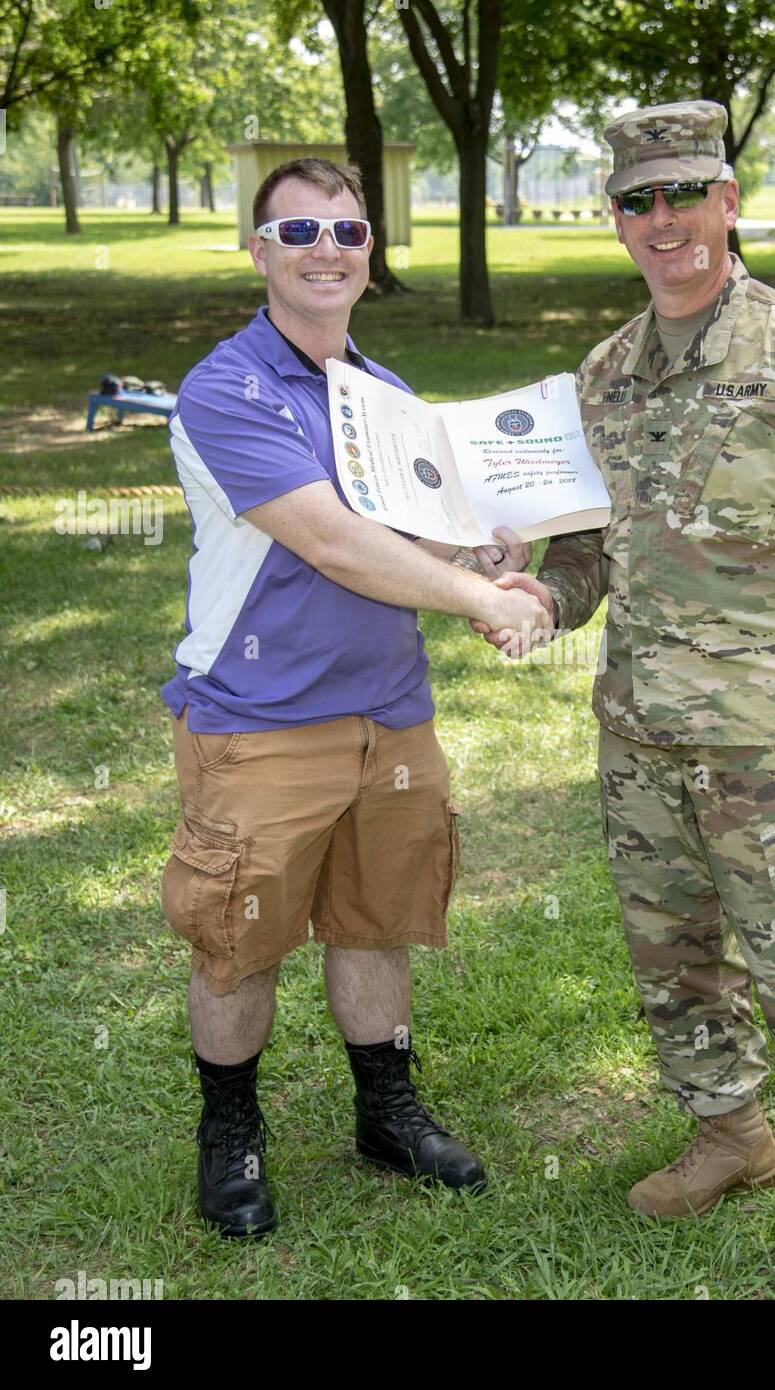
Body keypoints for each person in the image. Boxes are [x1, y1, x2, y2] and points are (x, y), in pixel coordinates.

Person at [479, 102, 775, 1292]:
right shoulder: (605, 376)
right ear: (616, 220)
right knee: (672, 956)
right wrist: (543, 595)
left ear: (727, 202)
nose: (665, 221)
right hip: (640, 727)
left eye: (685, 193)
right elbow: (588, 549)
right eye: (639, 201)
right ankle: (731, 1130)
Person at [161, 157, 550, 1238]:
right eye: (298, 233)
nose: (326, 250)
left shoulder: (380, 394)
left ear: (370, 253)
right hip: (259, 721)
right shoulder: (225, 387)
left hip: (393, 711)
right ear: (259, 253)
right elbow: (332, 537)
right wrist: (474, 588)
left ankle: (387, 1113)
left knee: (376, 922)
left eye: (347, 231)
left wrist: (486, 549)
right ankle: (229, 1133)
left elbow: (405, 530)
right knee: (237, 941)